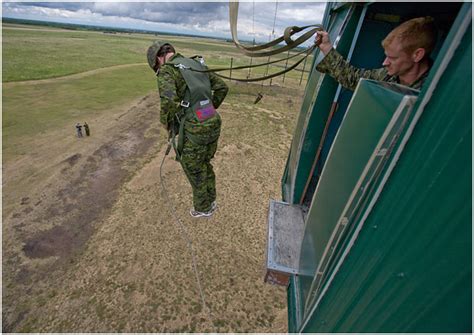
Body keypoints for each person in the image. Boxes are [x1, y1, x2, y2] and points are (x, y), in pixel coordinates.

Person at [147, 41, 229, 218]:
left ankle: (203, 208)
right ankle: (210, 200)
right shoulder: (196, 64)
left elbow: (168, 102)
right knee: (205, 163)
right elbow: (222, 87)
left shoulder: (168, 70)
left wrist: (168, 126)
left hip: (196, 128)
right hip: (213, 120)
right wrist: (207, 110)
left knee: (193, 167)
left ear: (159, 59)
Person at [314, 16, 437, 91]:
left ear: (417, 55)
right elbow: (352, 78)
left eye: (392, 58)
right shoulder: (387, 76)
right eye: (386, 56)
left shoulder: (435, 90)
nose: (385, 63)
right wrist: (326, 47)